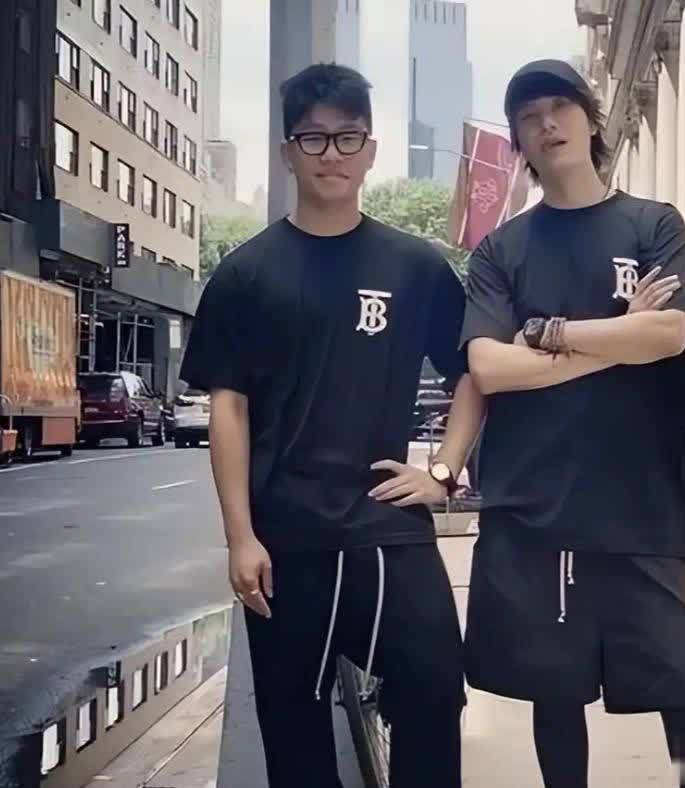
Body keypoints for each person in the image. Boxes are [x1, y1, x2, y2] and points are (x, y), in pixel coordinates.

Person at [179, 64, 484, 788]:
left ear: (370, 150)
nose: (331, 154)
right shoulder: (246, 274)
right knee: (294, 727)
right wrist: (240, 536)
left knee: (435, 692)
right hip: (286, 537)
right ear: (288, 151)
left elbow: (472, 371)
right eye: (312, 138)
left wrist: (443, 471)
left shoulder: (414, 266)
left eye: (348, 137)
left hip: (386, 525)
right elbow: (228, 409)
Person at [461, 59, 685, 788]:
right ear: (517, 138)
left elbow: (670, 333)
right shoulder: (501, 250)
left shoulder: (652, 224)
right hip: (538, 508)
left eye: (560, 107)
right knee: (555, 694)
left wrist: (545, 334)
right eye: (528, 116)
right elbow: (488, 367)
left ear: (590, 118)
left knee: (683, 693)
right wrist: (616, 337)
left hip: (643, 504)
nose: (547, 124)